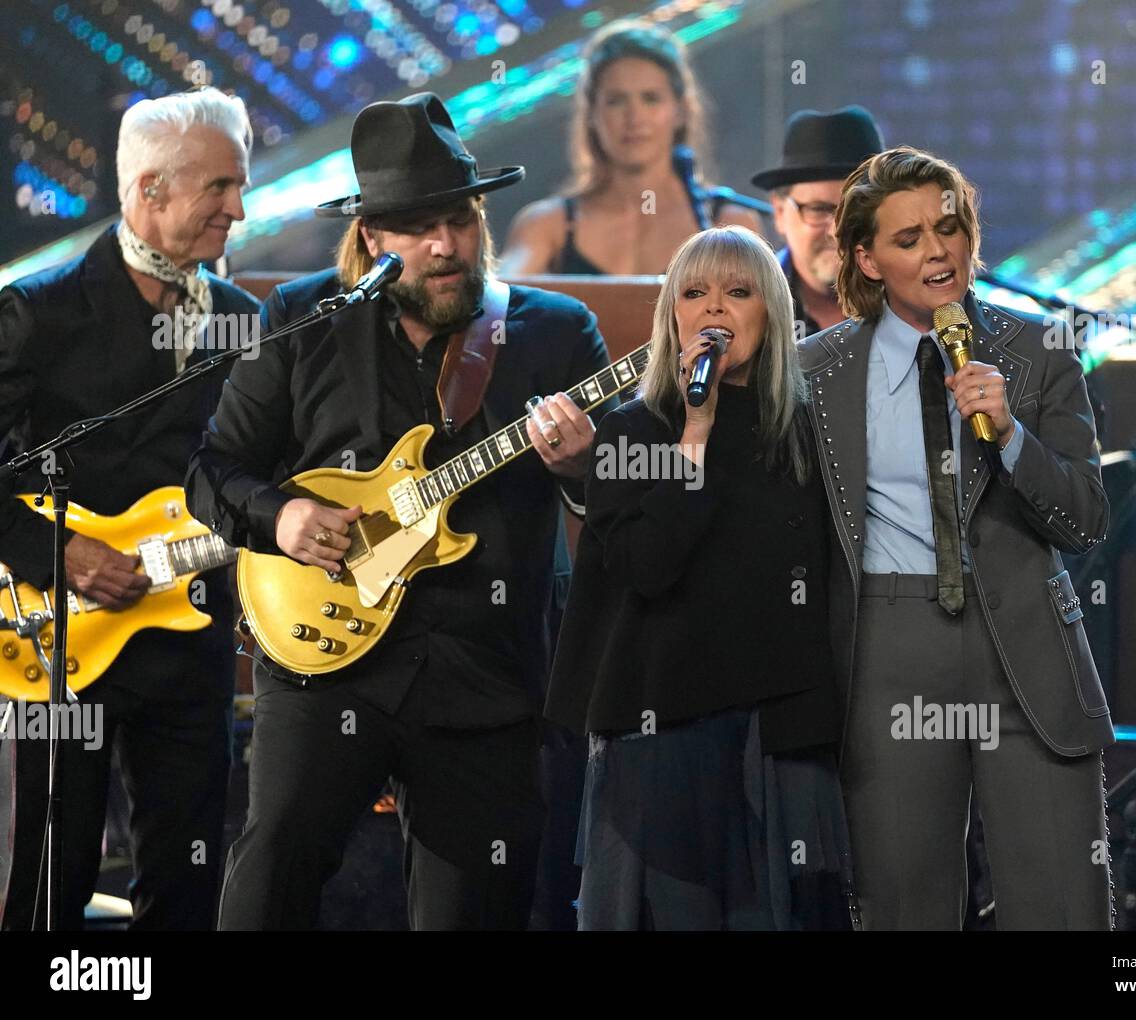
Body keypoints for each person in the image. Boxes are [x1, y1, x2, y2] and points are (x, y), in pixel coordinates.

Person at [185, 92, 614, 930]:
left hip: (484, 675)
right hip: (325, 658)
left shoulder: (557, 333)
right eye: (419, 227)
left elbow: (620, 500)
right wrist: (282, 520)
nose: (446, 245)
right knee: (270, 879)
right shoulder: (299, 320)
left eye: (458, 218)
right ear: (373, 235)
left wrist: (584, 466)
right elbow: (213, 471)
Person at [799, 146, 1114, 930]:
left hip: (1024, 648)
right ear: (866, 260)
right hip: (887, 651)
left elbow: (1084, 518)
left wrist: (1009, 435)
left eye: (949, 227)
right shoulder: (816, 372)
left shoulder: (1037, 351)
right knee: (904, 907)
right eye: (907, 240)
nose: (937, 251)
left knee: (1062, 908)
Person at [546, 226, 855, 930]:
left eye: (738, 292)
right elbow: (649, 567)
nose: (715, 309)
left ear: (770, 313)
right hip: (665, 737)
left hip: (779, 734)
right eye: (695, 293)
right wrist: (696, 432)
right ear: (673, 316)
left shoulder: (807, 434)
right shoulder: (631, 433)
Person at [0, 88, 257, 930]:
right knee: (49, 879)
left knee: (186, 880)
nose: (239, 208)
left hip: (191, 644)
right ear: (149, 191)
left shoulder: (251, 326)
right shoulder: (36, 312)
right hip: (57, 639)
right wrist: (62, 554)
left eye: (240, 186)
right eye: (219, 188)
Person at [499, 18, 762, 276]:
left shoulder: (729, 224)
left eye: (651, 98)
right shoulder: (547, 225)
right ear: (591, 113)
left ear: (681, 111)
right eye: (616, 100)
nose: (634, 117)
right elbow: (499, 301)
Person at [752, 105, 884, 338]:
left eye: (855, 210)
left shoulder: (918, 306)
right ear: (780, 212)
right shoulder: (748, 307)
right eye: (818, 209)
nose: (837, 230)